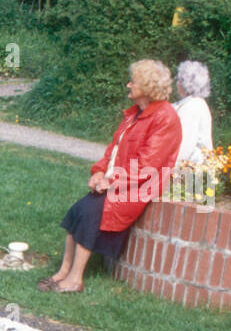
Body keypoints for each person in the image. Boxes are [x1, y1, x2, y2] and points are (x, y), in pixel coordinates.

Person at [39, 59, 182, 293]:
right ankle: (63, 272)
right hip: (119, 182)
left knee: (90, 213)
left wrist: (111, 181)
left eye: (133, 81)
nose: (128, 85)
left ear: (147, 87)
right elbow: (113, 150)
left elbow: (148, 164)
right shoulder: (134, 114)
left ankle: (75, 279)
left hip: (137, 187)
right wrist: (98, 172)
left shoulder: (165, 118)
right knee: (78, 210)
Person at [173, 60, 213, 166]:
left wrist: (170, 170)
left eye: (178, 79)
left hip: (192, 172)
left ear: (185, 83)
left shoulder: (193, 106)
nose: (176, 82)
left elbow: (184, 145)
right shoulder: (187, 104)